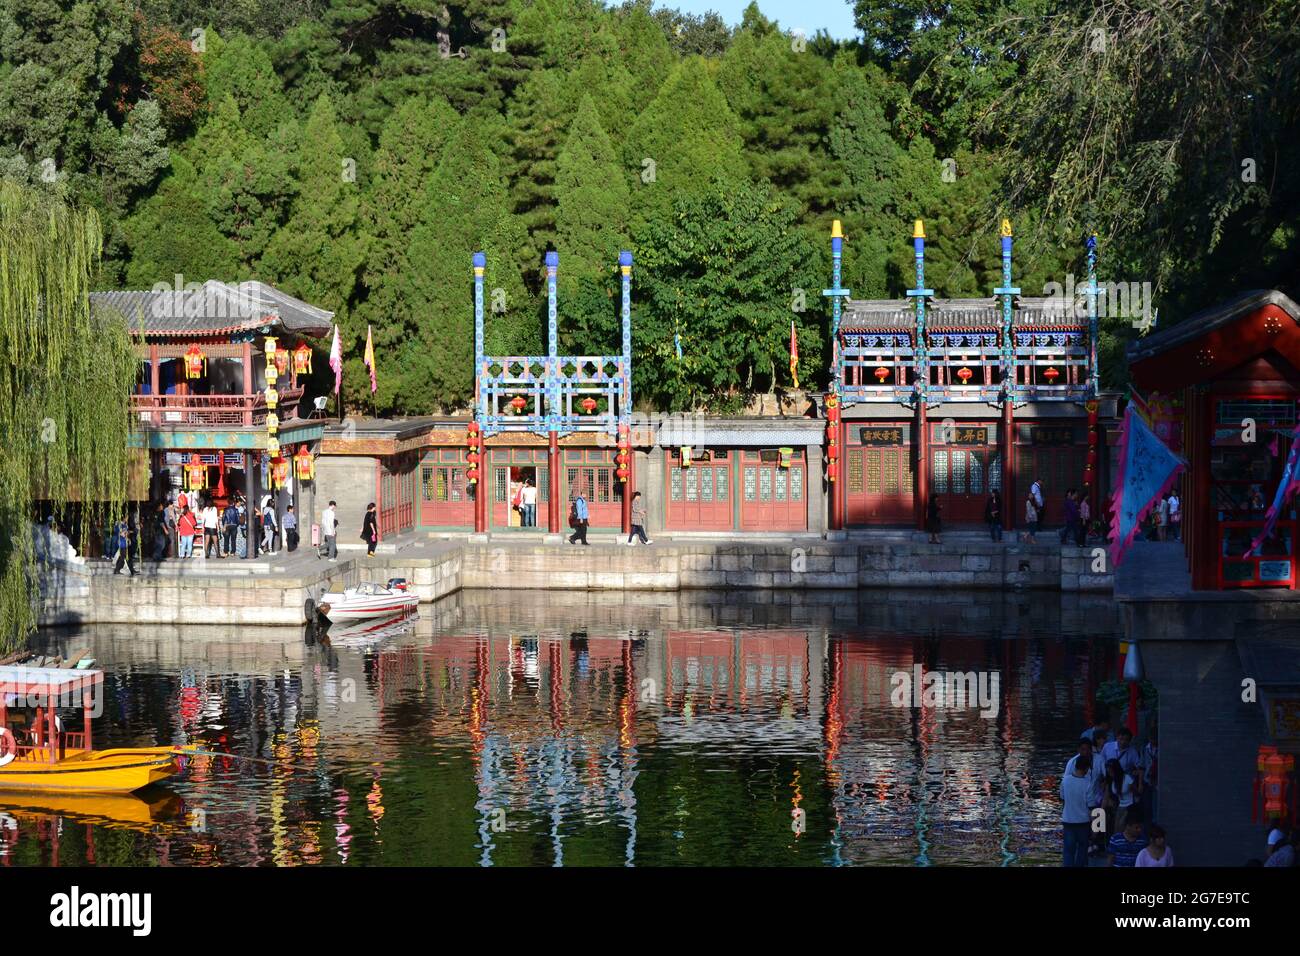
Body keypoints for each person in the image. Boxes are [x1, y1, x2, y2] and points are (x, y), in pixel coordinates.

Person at [1060, 753, 1093, 867]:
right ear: (1087, 768)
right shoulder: (1088, 783)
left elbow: (1063, 798)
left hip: (1068, 820)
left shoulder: (1065, 781)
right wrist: (1096, 826)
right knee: (1082, 850)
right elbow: (1091, 805)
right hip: (1083, 822)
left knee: (1068, 850)